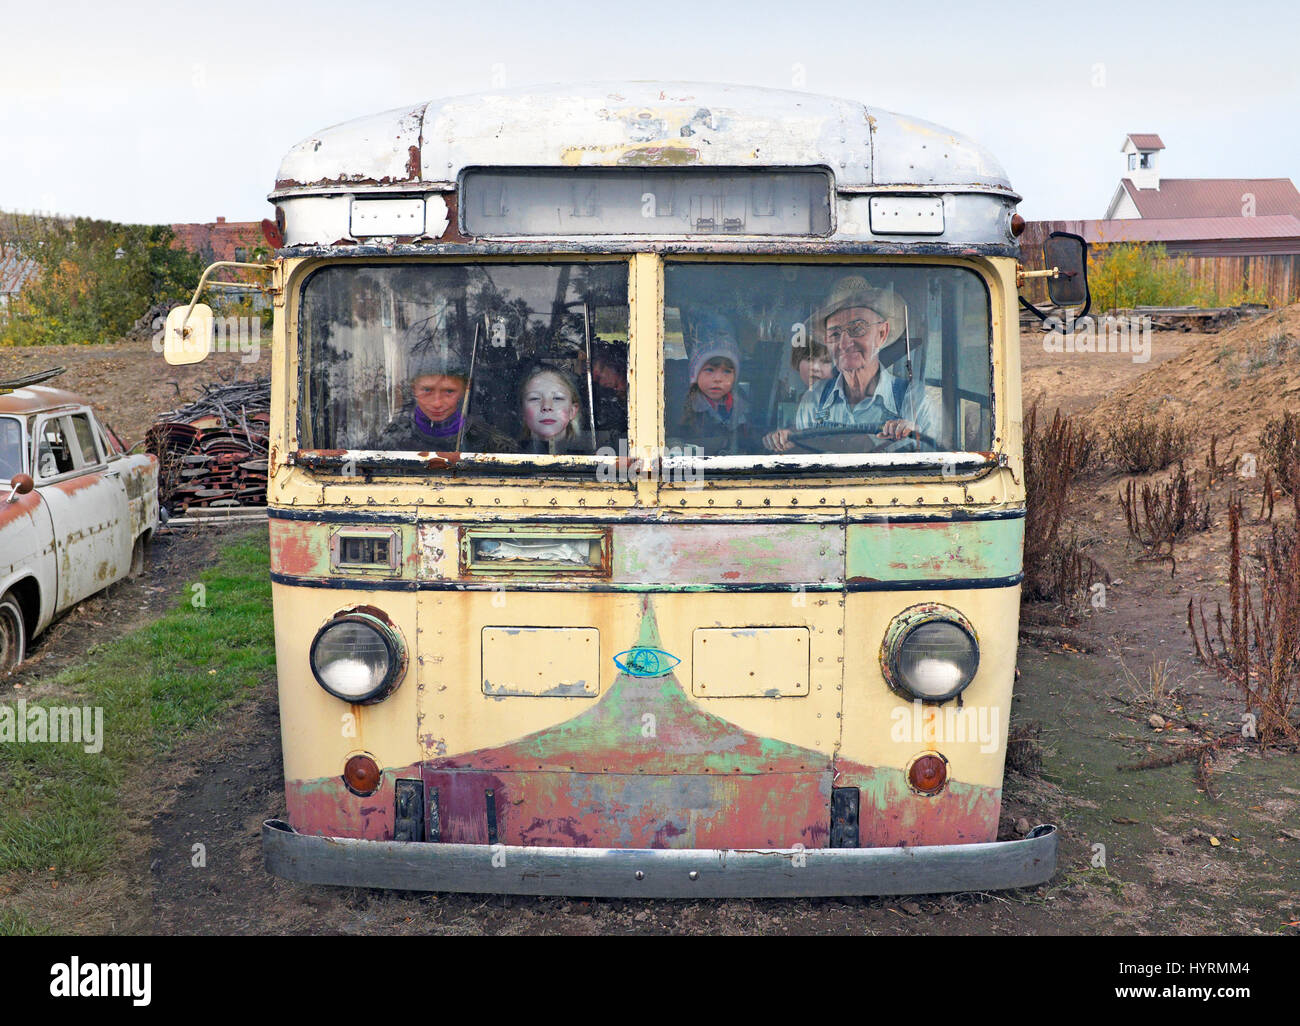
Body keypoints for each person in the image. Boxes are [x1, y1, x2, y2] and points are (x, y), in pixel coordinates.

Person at [763, 277, 936, 453]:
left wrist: (914, 437)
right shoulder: (814, 400)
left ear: (882, 334)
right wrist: (787, 441)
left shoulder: (915, 402)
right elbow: (804, 465)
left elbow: (934, 470)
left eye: (857, 329)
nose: (844, 344)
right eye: (835, 333)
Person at [669, 312, 760, 456]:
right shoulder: (684, 405)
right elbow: (674, 440)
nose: (718, 379)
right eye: (710, 370)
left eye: (727, 372)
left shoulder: (742, 404)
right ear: (695, 373)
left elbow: (752, 440)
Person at [374, 370, 512, 452]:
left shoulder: (490, 443)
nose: (437, 403)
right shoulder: (391, 440)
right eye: (427, 390)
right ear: (413, 389)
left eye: (449, 391)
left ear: (464, 392)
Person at [517, 364, 593, 455]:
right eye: (535, 398)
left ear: (572, 411)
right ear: (522, 411)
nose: (546, 406)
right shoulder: (507, 457)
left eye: (557, 398)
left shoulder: (591, 458)